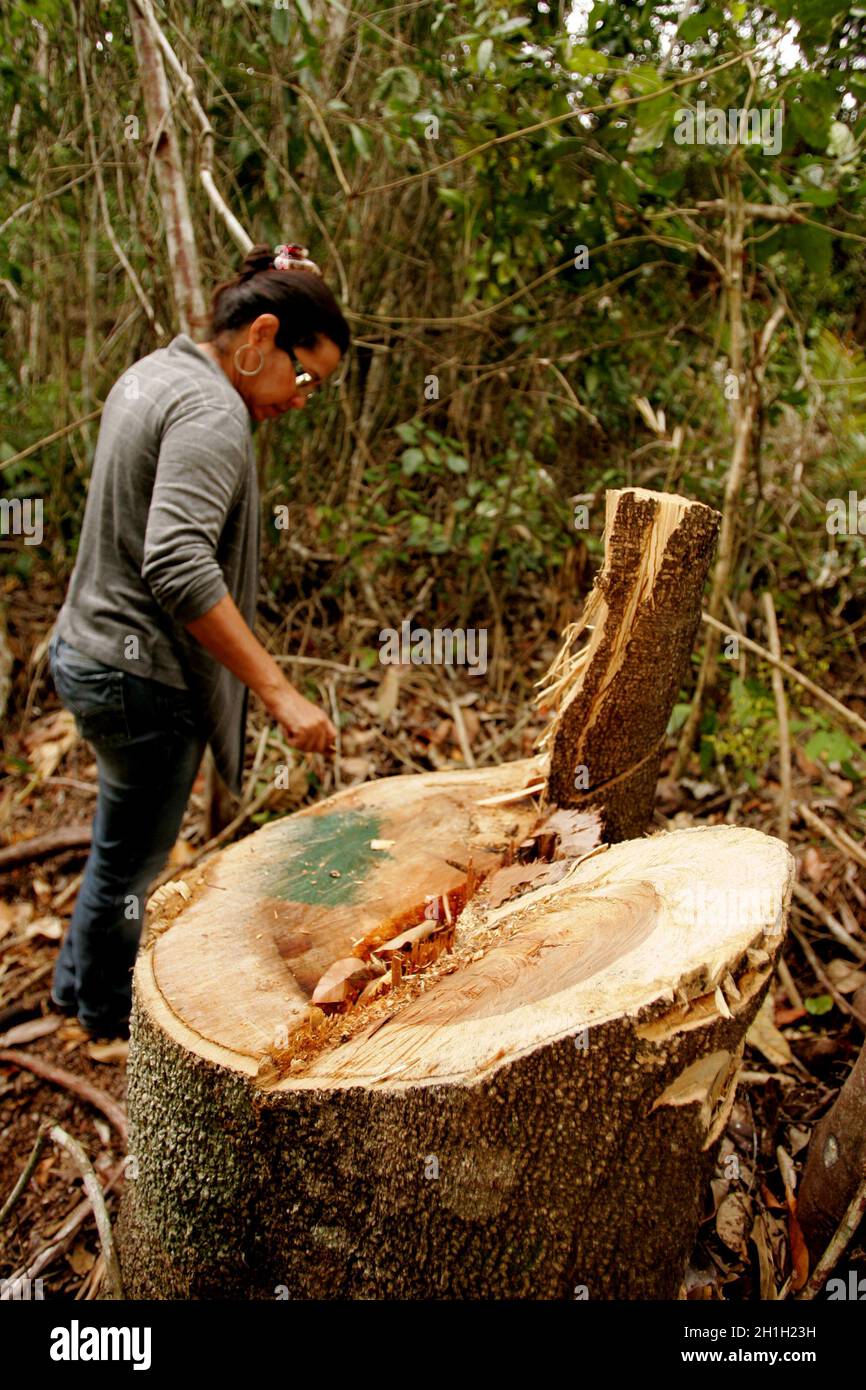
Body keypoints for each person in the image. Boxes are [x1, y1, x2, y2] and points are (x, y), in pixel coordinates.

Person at [48, 242, 349, 1039]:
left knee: (118, 843)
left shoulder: (158, 372)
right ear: (261, 338)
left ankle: (72, 990)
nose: (304, 397)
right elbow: (177, 567)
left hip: (87, 649)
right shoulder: (214, 414)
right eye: (306, 375)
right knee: (133, 864)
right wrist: (280, 693)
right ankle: (109, 1021)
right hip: (139, 677)